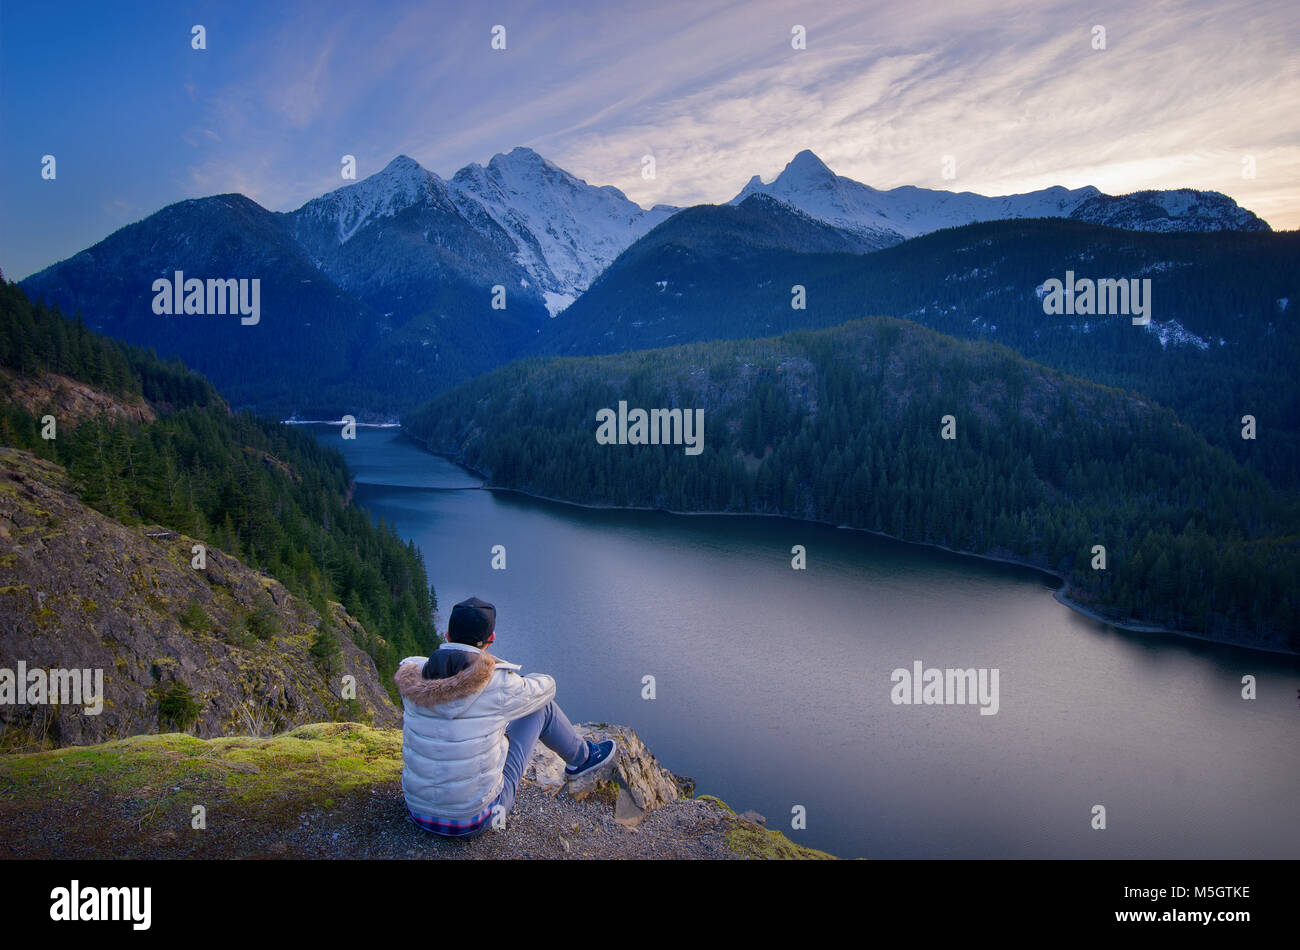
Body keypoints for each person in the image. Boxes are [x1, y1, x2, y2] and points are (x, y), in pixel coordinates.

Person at [394, 596, 616, 837]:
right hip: (475, 819)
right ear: (491, 639)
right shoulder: (497, 683)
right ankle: (583, 759)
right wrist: (500, 669)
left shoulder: (413, 677)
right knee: (542, 708)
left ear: (447, 635)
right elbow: (547, 689)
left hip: (417, 811)